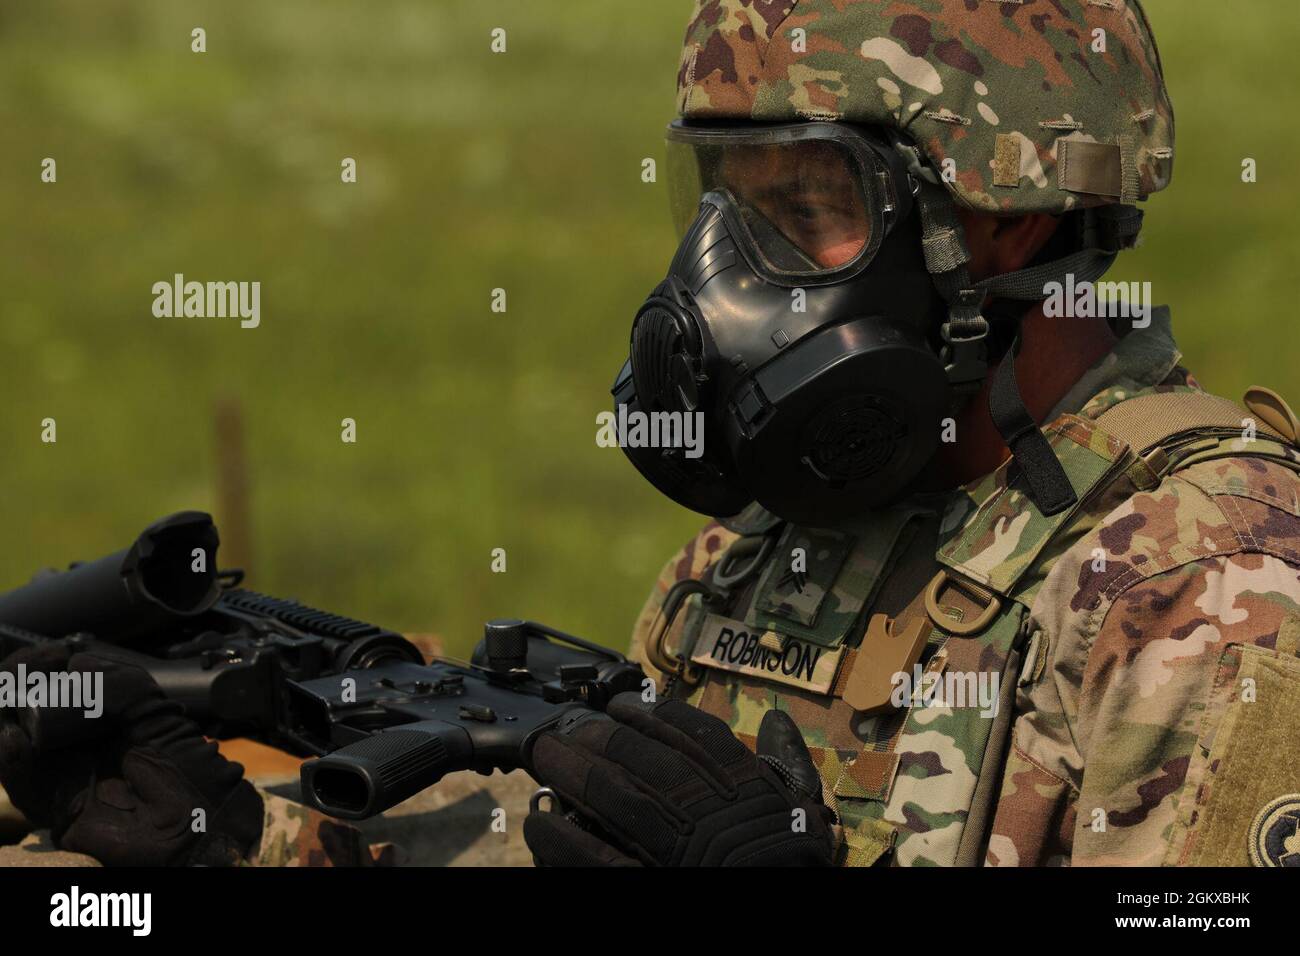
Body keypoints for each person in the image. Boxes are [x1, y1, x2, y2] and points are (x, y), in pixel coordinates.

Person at [520, 0, 1300, 867]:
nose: (724, 280)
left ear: (1010, 221)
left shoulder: (1205, 591)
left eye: (808, 208)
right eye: (725, 203)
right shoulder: (751, 557)